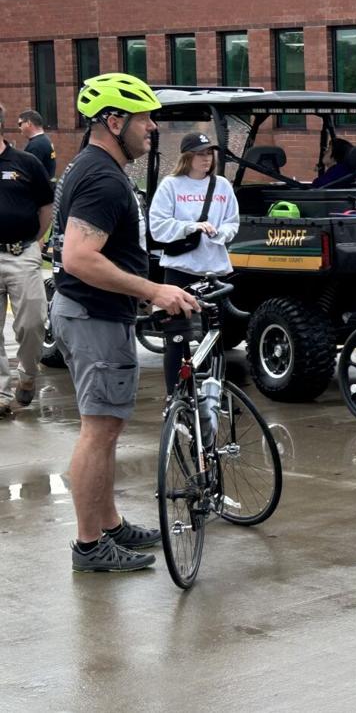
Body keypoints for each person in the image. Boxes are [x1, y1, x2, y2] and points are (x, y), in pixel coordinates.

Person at [52, 73, 199, 572]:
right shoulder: (102, 178)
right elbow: (79, 257)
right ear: (114, 121)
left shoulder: (93, 167)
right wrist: (153, 290)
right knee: (99, 430)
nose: (152, 128)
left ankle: (110, 524)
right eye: (144, 118)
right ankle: (90, 546)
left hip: (91, 312)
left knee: (107, 428)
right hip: (92, 316)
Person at [148, 131, 240, 395]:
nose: (206, 159)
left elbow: (233, 222)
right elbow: (158, 227)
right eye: (200, 154)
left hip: (214, 273)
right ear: (187, 156)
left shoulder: (222, 185)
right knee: (177, 338)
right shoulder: (171, 185)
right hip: (181, 271)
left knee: (214, 339)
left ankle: (212, 395)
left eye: (209, 153)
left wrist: (221, 233)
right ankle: (175, 396)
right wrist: (191, 227)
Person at [0, 104, 54, 416]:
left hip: (22, 252)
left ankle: (27, 375)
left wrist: (35, 241)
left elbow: (46, 206)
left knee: (32, 323)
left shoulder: (26, 162)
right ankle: (2, 394)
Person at [18, 109, 57, 180]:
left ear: (29, 123)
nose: (19, 127)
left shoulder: (36, 145)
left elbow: (28, 174)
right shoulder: (44, 140)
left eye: (20, 124)